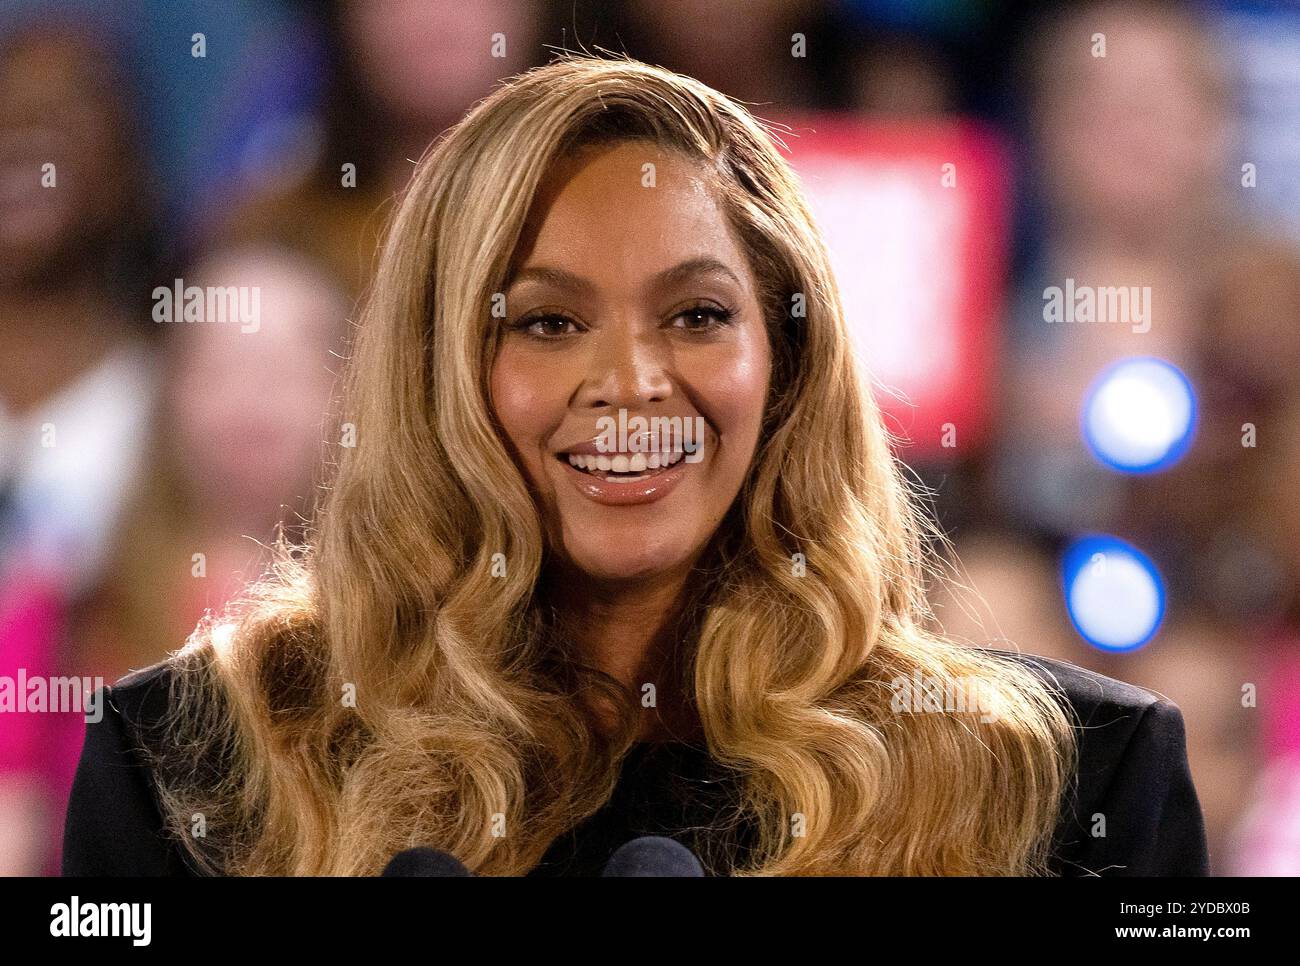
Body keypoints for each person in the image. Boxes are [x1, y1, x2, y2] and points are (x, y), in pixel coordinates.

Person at [62, 54, 1208, 877]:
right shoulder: (191, 769)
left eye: (698, 315)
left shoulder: (1071, 786)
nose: (632, 381)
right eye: (549, 324)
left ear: (790, 361)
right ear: (432, 371)